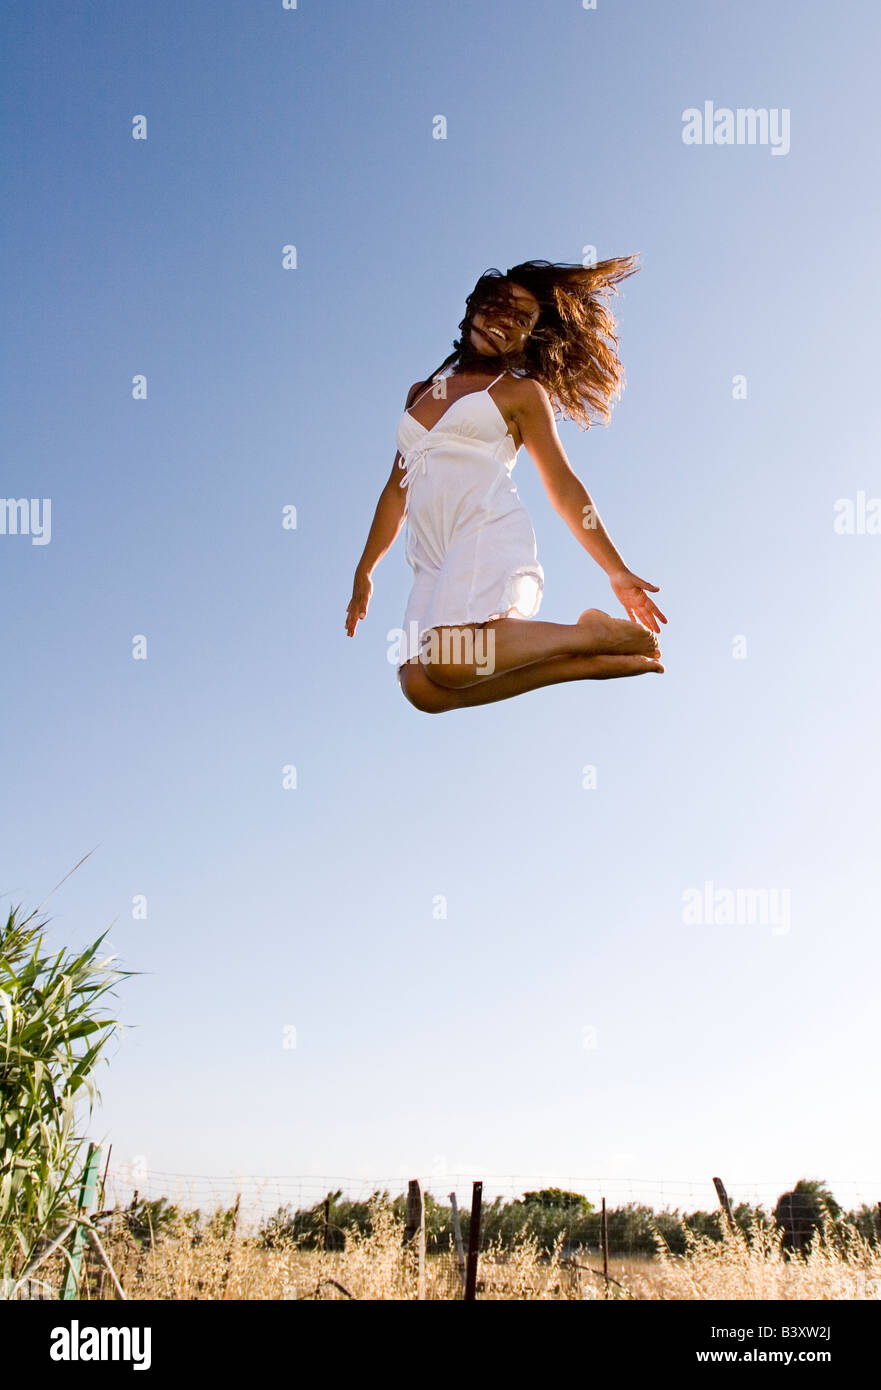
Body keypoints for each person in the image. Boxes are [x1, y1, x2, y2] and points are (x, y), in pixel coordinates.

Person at [345, 257, 667, 713]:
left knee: (449, 659)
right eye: (497, 306)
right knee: (420, 685)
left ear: (528, 337)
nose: (504, 321)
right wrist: (366, 568)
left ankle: (584, 636)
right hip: (430, 550)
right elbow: (396, 489)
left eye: (521, 319)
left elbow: (563, 485)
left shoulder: (520, 393)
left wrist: (615, 568)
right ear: (472, 307)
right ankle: (584, 663)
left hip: (484, 525)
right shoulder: (421, 392)